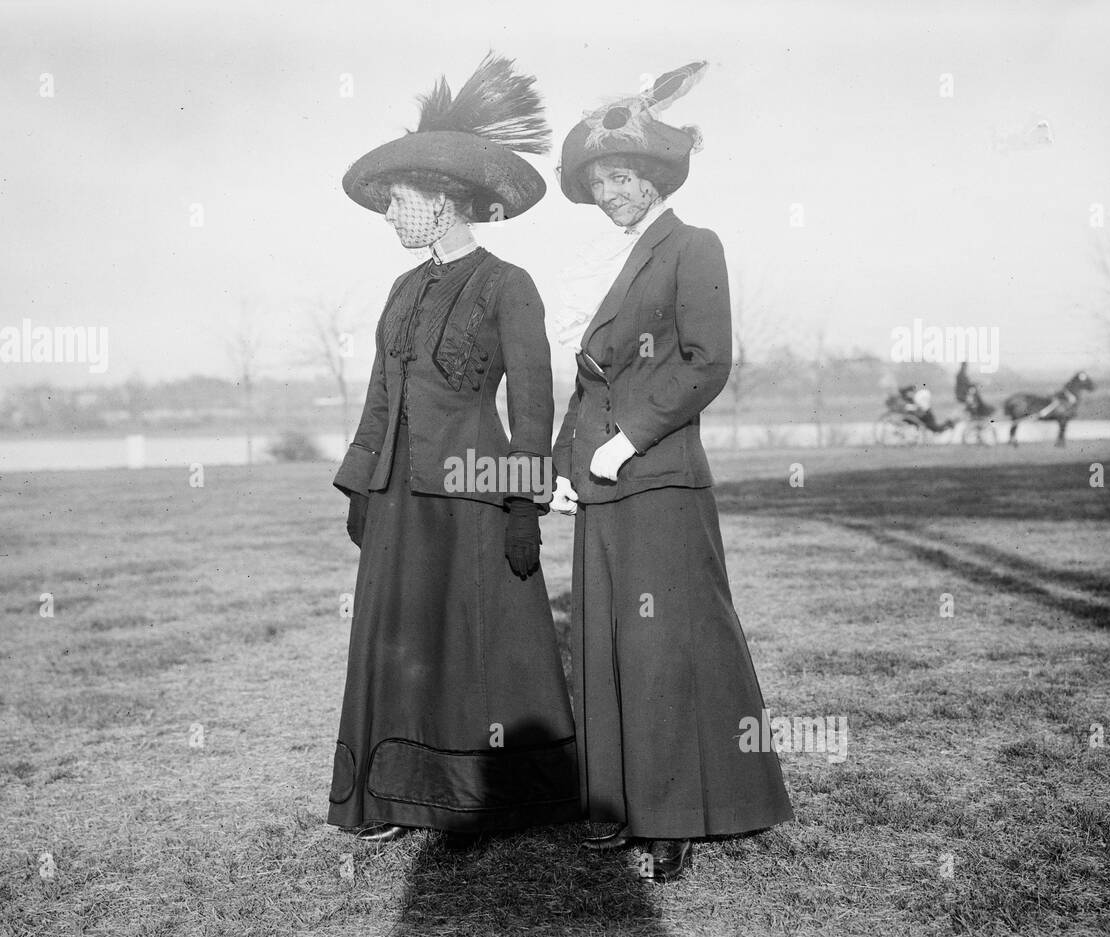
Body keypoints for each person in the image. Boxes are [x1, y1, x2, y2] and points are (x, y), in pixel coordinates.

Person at [549, 60, 793, 881]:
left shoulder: (693, 246)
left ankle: (673, 818)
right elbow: (589, 380)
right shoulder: (613, 265)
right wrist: (563, 462)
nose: (613, 191)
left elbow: (707, 360)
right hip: (600, 487)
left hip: (657, 481)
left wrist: (631, 439)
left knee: (662, 649)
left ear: (654, 177)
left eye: (624, 175)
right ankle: (617, 806)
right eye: (602, 179)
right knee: (607, 646)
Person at [328, 53, 580, 845]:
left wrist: (522, 505)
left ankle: (488, 798)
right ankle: (398, 802)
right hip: (399, 497)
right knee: (400, 642)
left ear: (442, 202)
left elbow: (532, 405)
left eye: (400, 202)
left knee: (474, 646)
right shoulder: (402, 290)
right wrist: (363, 485)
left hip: (474, 492)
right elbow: (379, 396)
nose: (391, 215)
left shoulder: (509, 284)